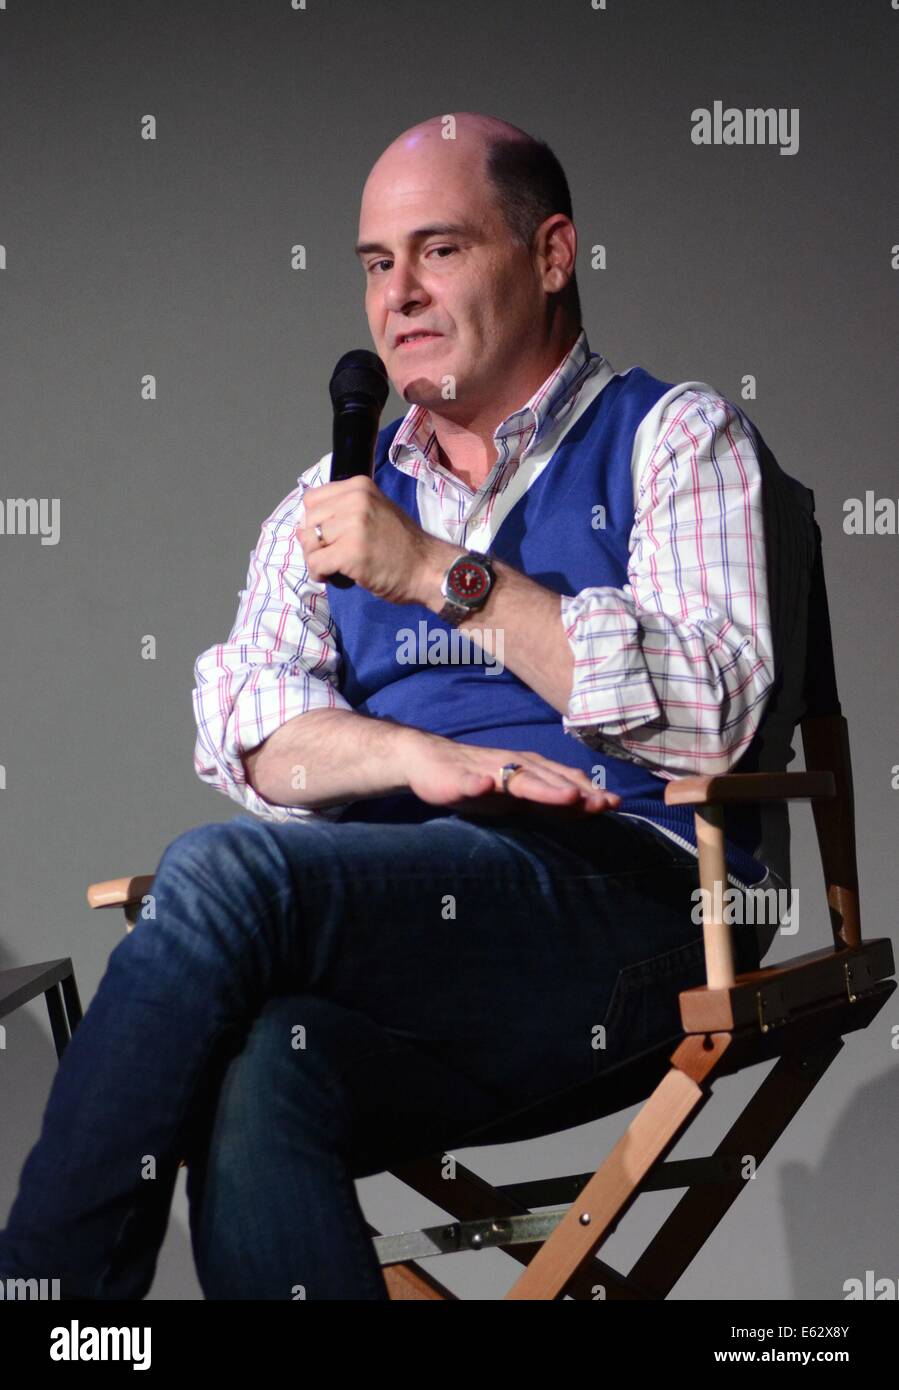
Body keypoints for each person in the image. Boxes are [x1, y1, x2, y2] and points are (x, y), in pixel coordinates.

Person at [0, 112, 811, 1300]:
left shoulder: (674, 438)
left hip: (634, 908)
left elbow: (710, 716)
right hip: (416, 935)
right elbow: (252, 728)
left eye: (438, 250)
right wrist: (406, 751)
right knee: (263, 1075)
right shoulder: (329, 500)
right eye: (378, 264)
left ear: (549, 254)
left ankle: (42, 1300)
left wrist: (436, 571)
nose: (399, 294)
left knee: (218, 880)